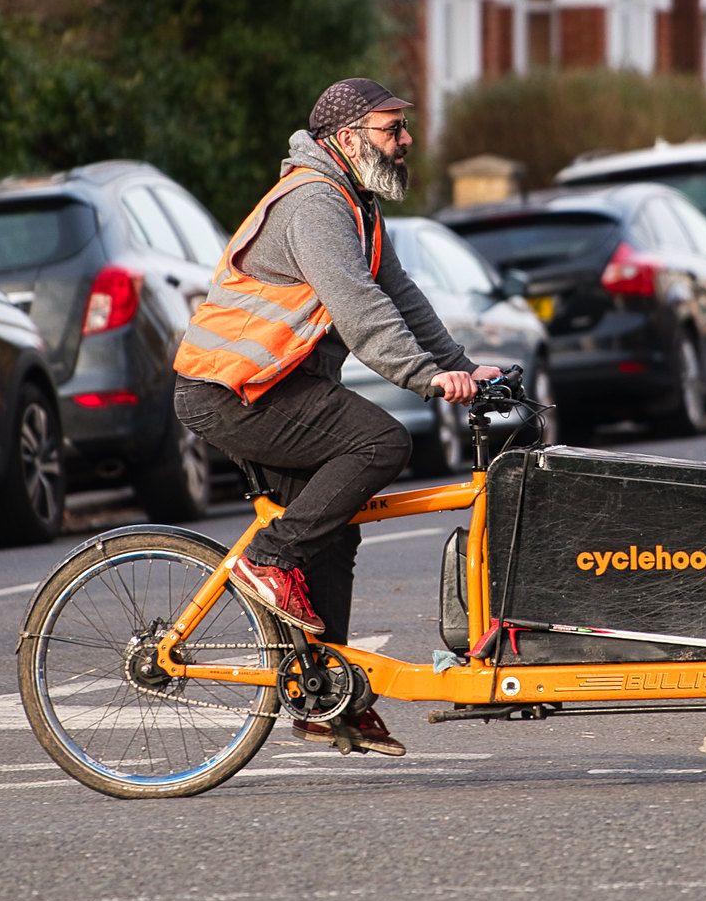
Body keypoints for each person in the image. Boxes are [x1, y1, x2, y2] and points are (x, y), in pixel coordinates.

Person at [172, 78, 499, 757]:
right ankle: (269, 558)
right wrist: (427, 378)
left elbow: (399, 296)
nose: (406, 141)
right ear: (347, 139)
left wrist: (464, 366)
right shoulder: (315, 204)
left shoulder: (358, 205)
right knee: (382, 440)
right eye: (391, 129)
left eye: (404, 129)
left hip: (274, 388)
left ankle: (324, 700)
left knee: (336, 533)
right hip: (236, 392)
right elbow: (359, 308)